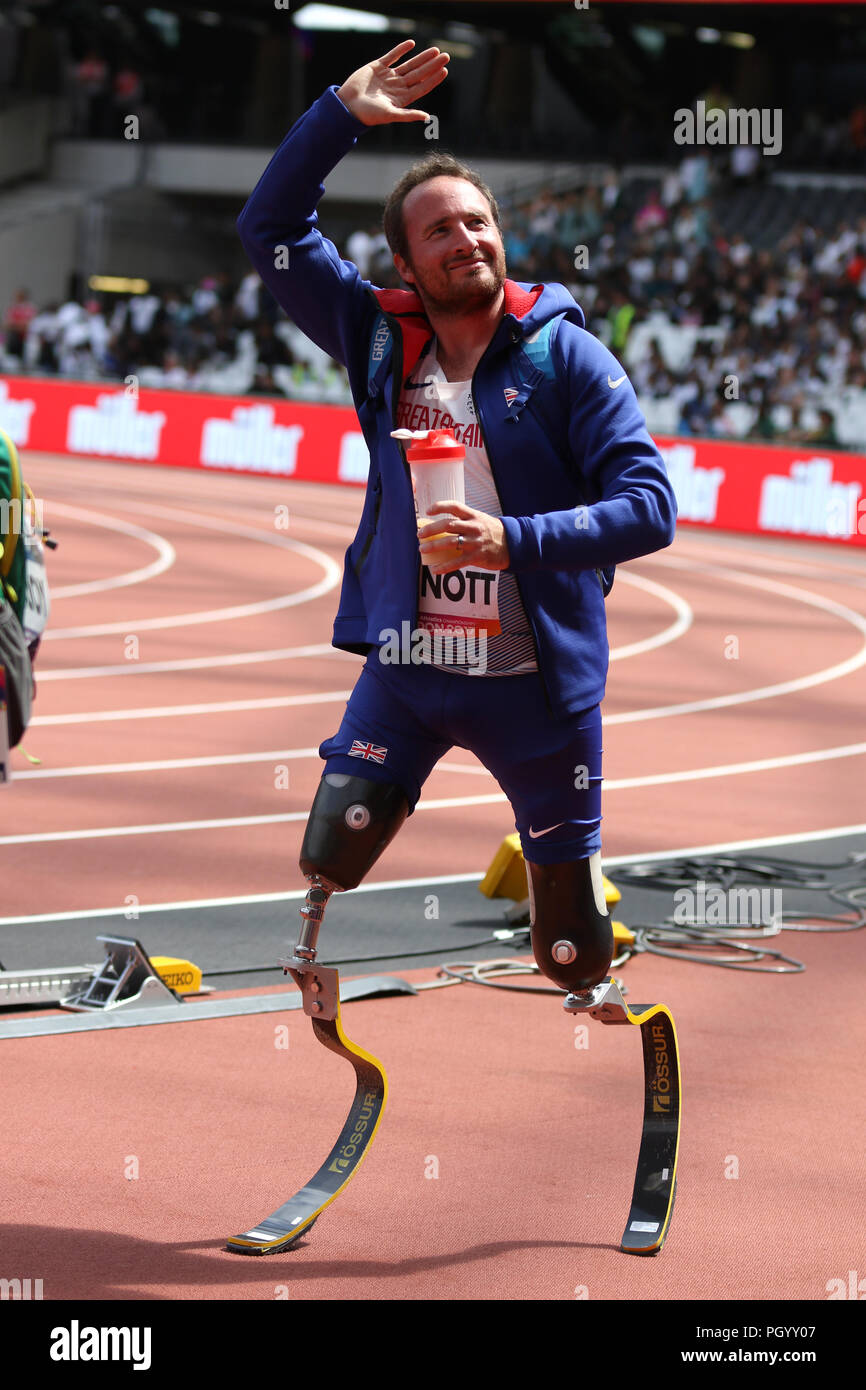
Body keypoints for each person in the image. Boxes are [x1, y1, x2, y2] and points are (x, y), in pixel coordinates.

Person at [237, 41, 677, 996]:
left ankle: (597, 1031)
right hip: (408, 669)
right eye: (439, 231)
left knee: (569, 948)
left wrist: (512, 540)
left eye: (477, 222)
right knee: (331, 847)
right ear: (406, 261)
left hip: (535, 691)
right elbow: (269, 223)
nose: (466, 240)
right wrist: (340, 115)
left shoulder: (572, 362)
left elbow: (651, 511)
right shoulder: (377, 340)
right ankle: (312, 974)